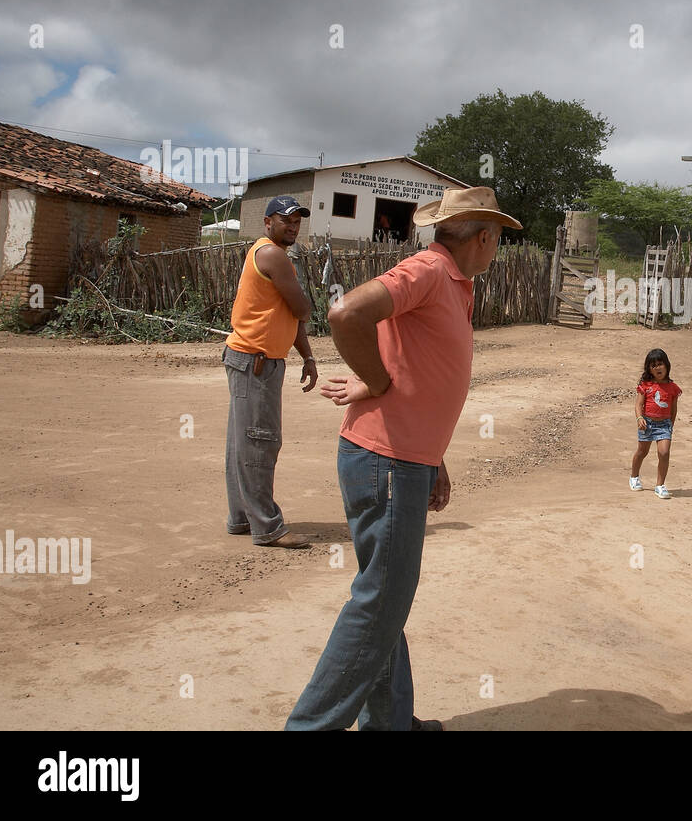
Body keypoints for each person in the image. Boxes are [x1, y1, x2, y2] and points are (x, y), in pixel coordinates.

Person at [286, 186, 521, 731]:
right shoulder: (429, 272)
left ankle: (393, 724)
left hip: (402, 459)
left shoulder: (452, 283)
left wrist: (433, 456)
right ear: (483, 237)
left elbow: (423, 375)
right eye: (498, 241)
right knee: (379, 603)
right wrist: (375, 379)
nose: (496, 249)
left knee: (385, 599)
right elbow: (345, 314)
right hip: (385, 463)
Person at [221, 195, 317, 549]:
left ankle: (241, 518)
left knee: (243, 443)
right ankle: (268, 528)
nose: (293, 226)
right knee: (261, 442)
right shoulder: (272, 255)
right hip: (255, 362)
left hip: (254, 361)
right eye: (285, 220)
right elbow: (302, 308)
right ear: (267, 222)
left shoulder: (274, 256)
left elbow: (292, 315)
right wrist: (304, 303)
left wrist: (307, 357)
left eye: (297, 221)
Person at [630, 348, 681, 500]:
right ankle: (634, 476)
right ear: (649, 369)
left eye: (660, 364)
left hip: (664, 425)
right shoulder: (645, 386)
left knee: (664, 453)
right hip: (647, 423)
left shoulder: (673, 388)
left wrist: (670, 425)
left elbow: (673, 409)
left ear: (666, 365)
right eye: (654, 365)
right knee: (642, 452)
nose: (658, 368)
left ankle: (660, 485)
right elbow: (638, 405)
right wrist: (640, 419)